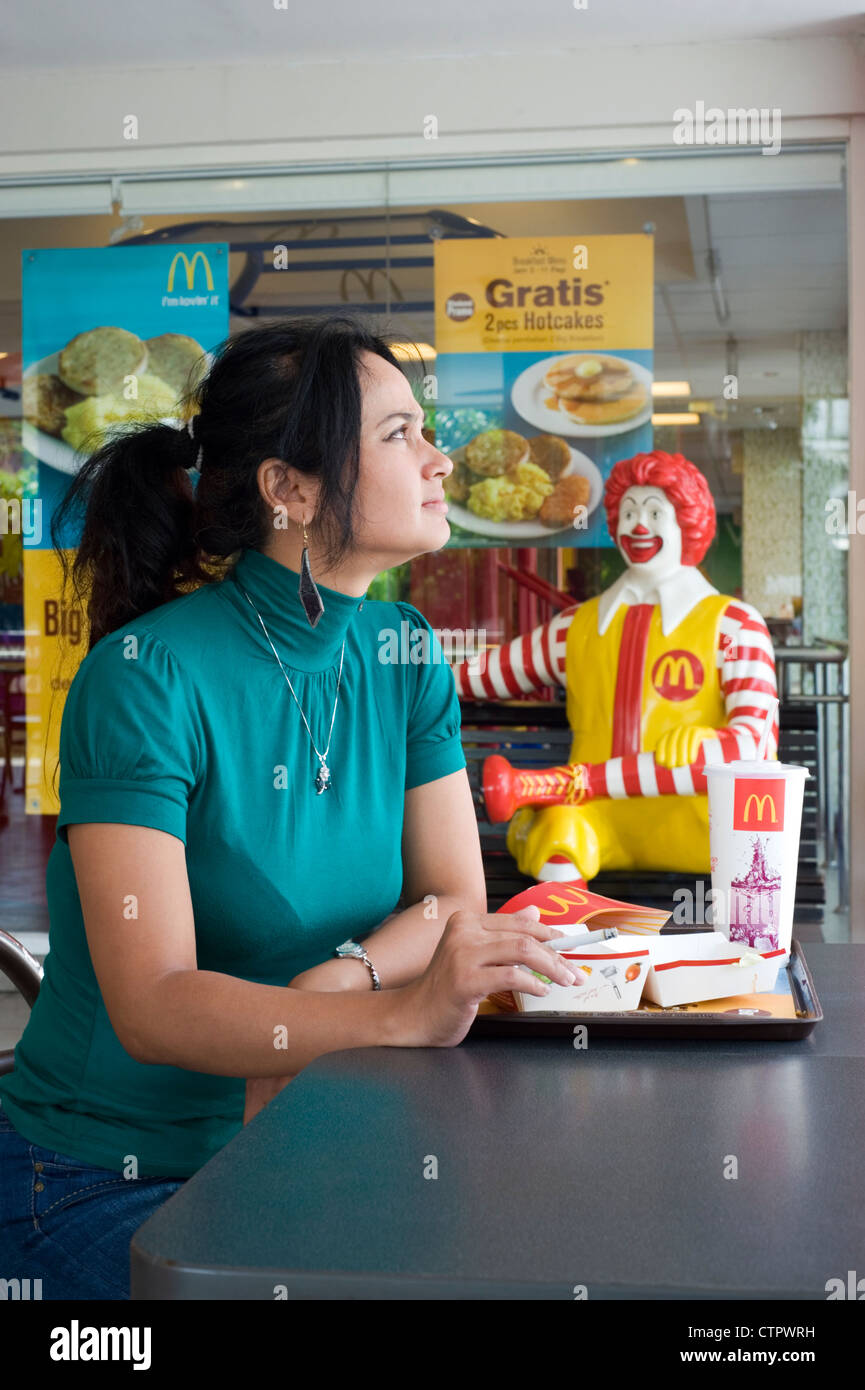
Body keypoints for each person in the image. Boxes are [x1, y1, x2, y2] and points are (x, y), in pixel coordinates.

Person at [0, 315, 575, 1300]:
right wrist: (403, 1015)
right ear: (291, 488)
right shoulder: (146, 678)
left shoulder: (401, 653)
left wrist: (341, 979)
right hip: (107, 1175)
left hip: (307, 1139)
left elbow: (450, 901)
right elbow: (154, 1002)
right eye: (398, 434)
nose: (440, 459)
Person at [452, 450, 778, 882]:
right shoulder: (575, 628)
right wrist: (402, 676)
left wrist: (704, 742)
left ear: (688, 521)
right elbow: (486, 675)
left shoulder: (735, 626)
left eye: (655, 512)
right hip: (595, 825)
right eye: (628, 511)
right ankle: (572, 947)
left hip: (703, 835)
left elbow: (753, 747)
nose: (638, 525)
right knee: (557, 839)